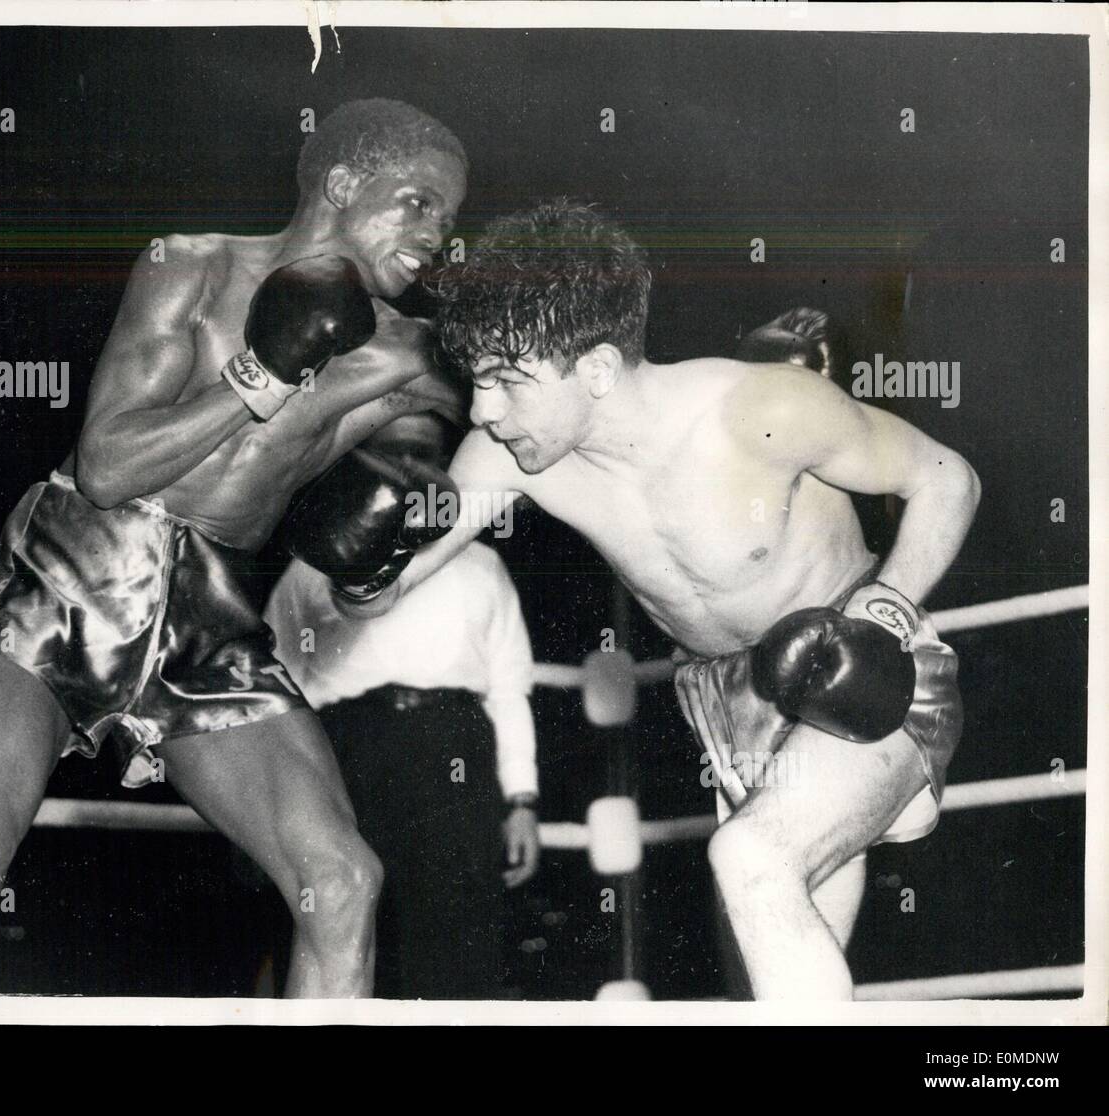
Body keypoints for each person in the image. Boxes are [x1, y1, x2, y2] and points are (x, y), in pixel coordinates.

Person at [0, 98, 470, 998]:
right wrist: (259, 377)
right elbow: (105, 464)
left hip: (212, 610)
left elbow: (515, 428)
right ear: (340, 183)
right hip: (76, 564)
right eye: (416, 202)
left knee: (341, 881)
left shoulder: (409, 354)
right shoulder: (192, 266)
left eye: (448, 219)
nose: (435, 235)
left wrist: (401, 536)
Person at [333, 200, 977, 1001]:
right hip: (727, 699)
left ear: (597, 368)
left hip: (859, 657)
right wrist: (355, 559)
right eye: (477, 381)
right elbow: (381, 590)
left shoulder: (759, 411)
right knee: (769, 961)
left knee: (752, 860)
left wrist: (880, 614)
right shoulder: (504, 456)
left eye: (509, 380)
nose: (484, 409)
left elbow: (947, 479)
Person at [265, 412, 540, 999]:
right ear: (366, 461)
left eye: (424, 456)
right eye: (394, 454)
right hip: (345, 752)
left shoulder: (482, 565)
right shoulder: (316, 562)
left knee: (457, 937)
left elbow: (510, 689)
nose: (410, 470)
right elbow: (273, 683)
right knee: (345, 922)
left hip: (454, 752)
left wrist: (521, 801)